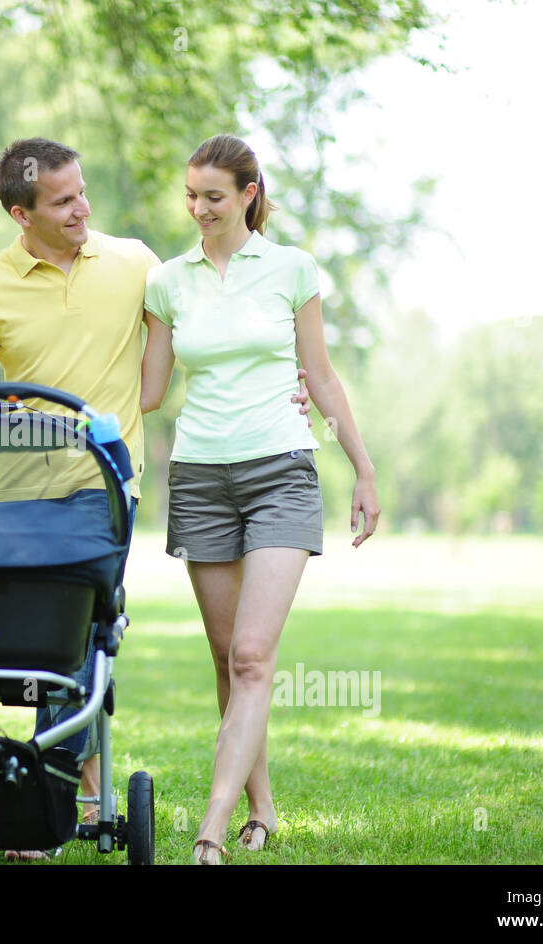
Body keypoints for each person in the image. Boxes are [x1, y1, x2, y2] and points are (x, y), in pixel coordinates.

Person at [0, 137, 311, 860]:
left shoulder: (135, 263)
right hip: (19, 498)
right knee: (42, 648)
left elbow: (209, 310)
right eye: (63, 201)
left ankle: (56, 808)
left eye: (83, 191)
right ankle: (74, 791)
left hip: (103, 488)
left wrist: (282, 379)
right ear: (21, 213)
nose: (83, 208)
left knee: (78, 637)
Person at [138, 134, 379, 865]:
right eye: (191, 196)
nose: (198, 209)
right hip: (202, 477)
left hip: (280, 471)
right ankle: (261, 808)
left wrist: (364, 469)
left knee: (251, 653)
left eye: (214, 196)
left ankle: (211, 831)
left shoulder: (292, 269)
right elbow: (146, 392)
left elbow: (323, 374)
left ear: (249, 193)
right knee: (226, 656)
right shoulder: (167, 282)